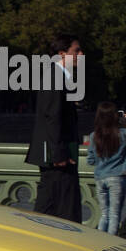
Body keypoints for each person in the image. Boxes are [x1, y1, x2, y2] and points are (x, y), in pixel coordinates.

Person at [25, 34, 83, 223]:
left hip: (59, 153)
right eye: (76, 51)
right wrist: (58, 155)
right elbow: (53, 118)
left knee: (55, 204)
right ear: (61, 54)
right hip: (57, 156)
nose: (81, 55)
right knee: (57, 206)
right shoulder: (54, 78)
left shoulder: (58, 77)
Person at [86, 103, 126, 236]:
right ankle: (111, 242)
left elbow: (90, 160)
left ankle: (100, 243)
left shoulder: (93, 136)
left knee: (104, 214)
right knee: (114, 215)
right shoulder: (123, 134)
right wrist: (124, 125)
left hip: (100, 177)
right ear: (114, 117)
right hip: (117, 177)